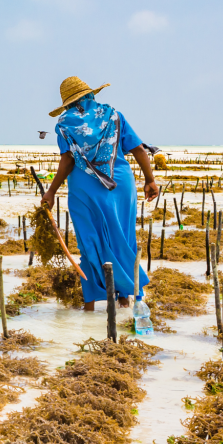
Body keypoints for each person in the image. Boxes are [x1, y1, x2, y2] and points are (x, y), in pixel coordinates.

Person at [41, 77, 159, 311]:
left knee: (89, 240)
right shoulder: (113, 115)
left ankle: (90, 305)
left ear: (66, 103)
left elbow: (67, 160)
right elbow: (137, 148)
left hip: (85, 187)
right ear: (91, 96)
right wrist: (150, 180)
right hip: (119, 183)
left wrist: (51, 191)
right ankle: (125, 298)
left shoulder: (65, 123)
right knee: (122, 238)